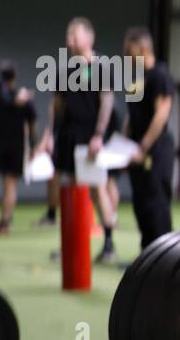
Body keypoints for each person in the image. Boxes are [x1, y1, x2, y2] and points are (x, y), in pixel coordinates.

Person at [34, 17, 119, 263]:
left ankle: (109, 244)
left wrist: (99, 135)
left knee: (96, 187)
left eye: (75, 34)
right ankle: (71, 245)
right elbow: (56, 105)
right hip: (69, 135)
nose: (69, 40)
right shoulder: (65, 70)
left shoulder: (101, 66)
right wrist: (49, 135)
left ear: (89, 38)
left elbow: (107, 102)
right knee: (72, 189)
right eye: (68, 35)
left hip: (90, 136)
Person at [121, 27, 175, 250]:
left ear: (142, 49)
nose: (125, 55)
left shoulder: (160, 75)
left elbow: (162, 113)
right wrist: (123, 148)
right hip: (136, 155)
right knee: (141, 206)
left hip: (155, 152)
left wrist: (143, 147)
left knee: (156, 207)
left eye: (129, 50)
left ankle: (165, 257)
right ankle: (148, 258)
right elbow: (130, 118)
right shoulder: (136, 82)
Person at [0, 59, 37, 234]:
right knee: (10, 186)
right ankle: (4, 224)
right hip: (15, 147)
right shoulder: (22, 98)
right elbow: (33, 124)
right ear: (14, 77)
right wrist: (33, 145)